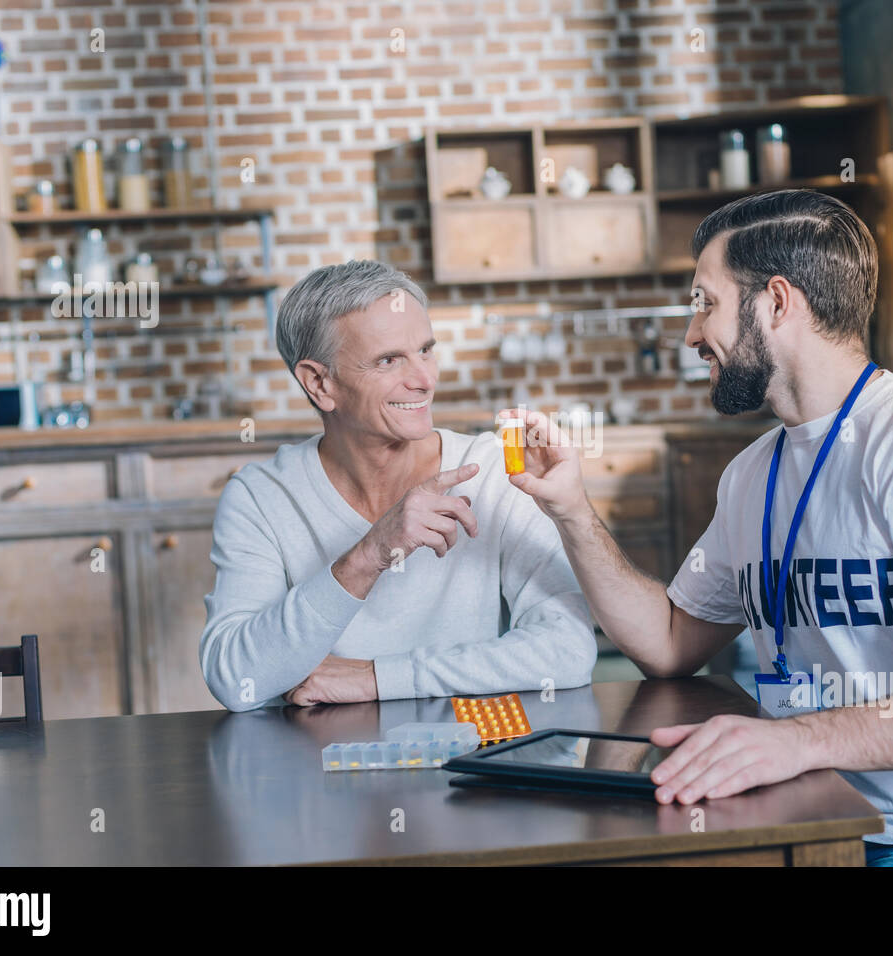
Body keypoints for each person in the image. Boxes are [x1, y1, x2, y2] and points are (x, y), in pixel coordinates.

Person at [502, 189, 893, 867]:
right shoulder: (751, 474)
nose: (691, 336)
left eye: (704, 303)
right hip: (814, 813)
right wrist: (571, 509)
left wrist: (800, 739)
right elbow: (668, 641)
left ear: (777, 302)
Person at [200, 260, 596, 711]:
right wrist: (369, 556)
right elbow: (236, 680)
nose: (424, 380)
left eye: (426, 350)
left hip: (471, 757)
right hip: (319, 764)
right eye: (389, 360)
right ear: (319, 383)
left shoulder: (493, 472)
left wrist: (375, 678)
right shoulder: (261, 496)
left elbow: (568, 652)